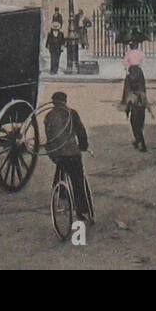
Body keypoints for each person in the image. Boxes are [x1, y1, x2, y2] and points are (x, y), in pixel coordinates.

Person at [43, 92, 91, 224]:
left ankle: (61, 191)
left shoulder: (48, 116)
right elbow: (81, 132)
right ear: (65, 101)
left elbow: (49, 136)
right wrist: (83, 146)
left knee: (61, 165)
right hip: (72, 154)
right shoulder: (72, 113)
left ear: (53, 102)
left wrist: (53, 152)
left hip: (56, 154)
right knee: (78, 180)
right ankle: (82, 210)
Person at [120, 61, 152, 150]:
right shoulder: (141, 77)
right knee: (140, 125)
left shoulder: (128, 78)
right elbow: (144, 91)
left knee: (134, 124)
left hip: (133, 105)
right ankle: (138, 140)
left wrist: (126, 110)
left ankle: (141, 142)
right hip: (141, 104)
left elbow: (126, 92)